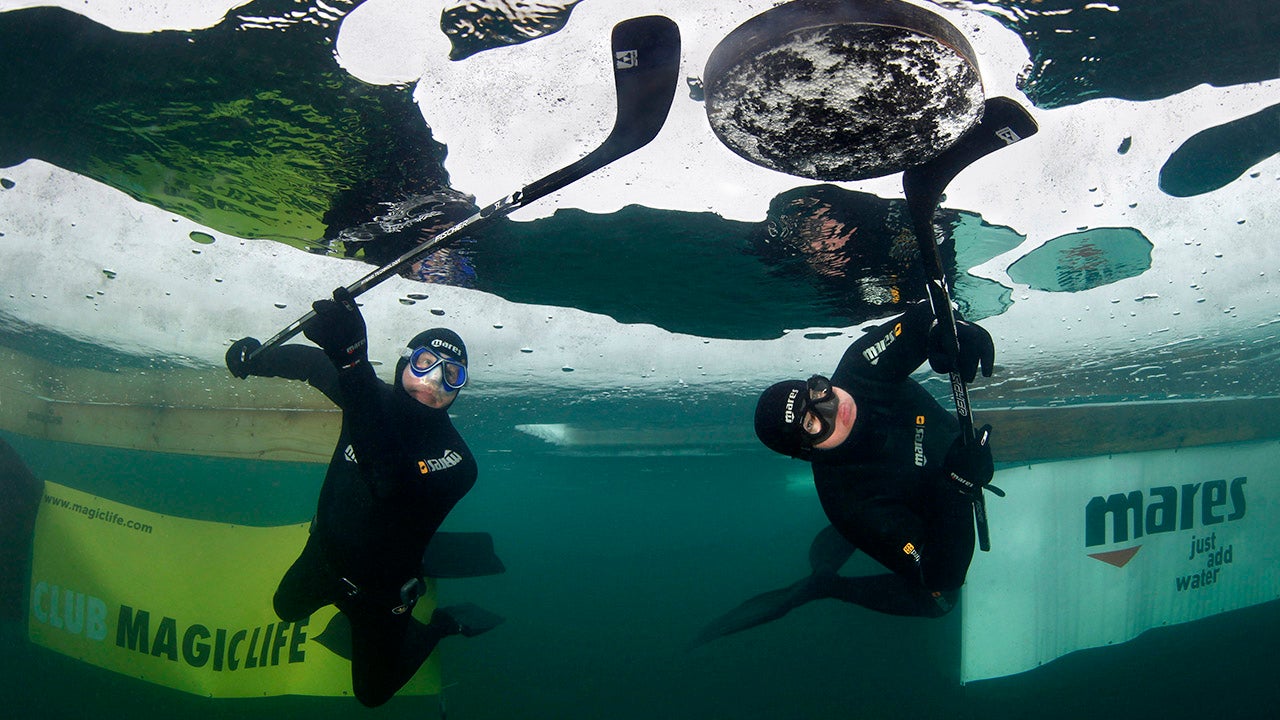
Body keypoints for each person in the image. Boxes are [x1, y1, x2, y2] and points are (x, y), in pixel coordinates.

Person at [226, 287, 501, 707]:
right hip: (325, 558)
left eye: (452, 375)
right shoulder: (367, 396)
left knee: (372, 695)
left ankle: (438, 625)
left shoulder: (458, 461)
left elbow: (388, 482)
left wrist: (353, 362)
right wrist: (257, 357)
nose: (433, 381)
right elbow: (311, 364)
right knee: (285, 608)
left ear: (460, 390)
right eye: (425, 363)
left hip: (383, 595)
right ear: (403, 363)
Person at [694, 302, 996, 645]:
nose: (833, 406)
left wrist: (951, 330)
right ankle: (829, 586)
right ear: (808, 452)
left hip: (901, 499)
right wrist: (956, 491)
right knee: (939, 602)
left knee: (869, 528)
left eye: (818, 391)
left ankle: (858, 537)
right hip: (921, 514)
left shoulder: (857, 372)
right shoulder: (849, 501)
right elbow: (942, 575)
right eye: (812, 423)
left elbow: (919, 322)